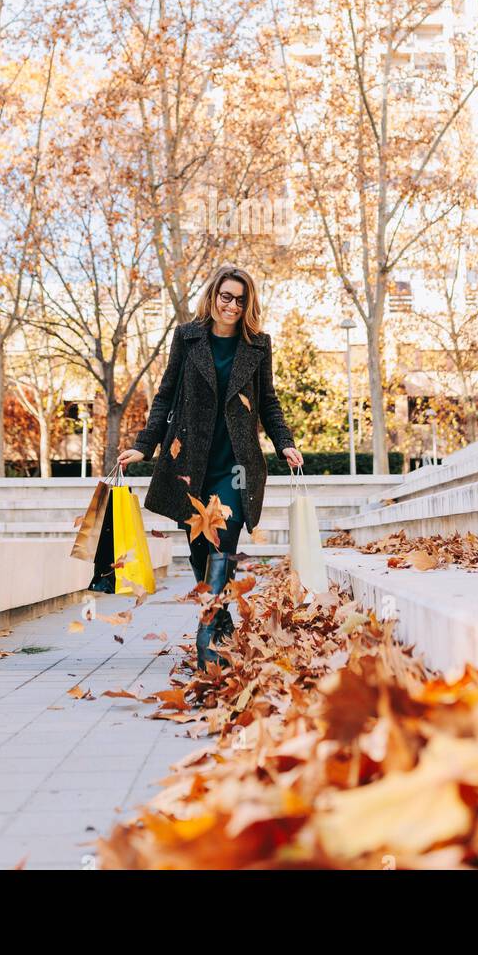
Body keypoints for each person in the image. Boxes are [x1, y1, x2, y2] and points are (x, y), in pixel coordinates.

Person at [118, 263, 302, 669]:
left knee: (224, 545)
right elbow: (165, 396)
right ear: (214, 296)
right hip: (190, 466)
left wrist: (284, 443)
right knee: (200, 549)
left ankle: (206, 641)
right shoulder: (187, 338)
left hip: (236, 465)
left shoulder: (257, 345)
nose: (232, 305)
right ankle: (221, 621)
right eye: (226, 296)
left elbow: (267, 402)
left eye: (240, 299)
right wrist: (144, 447)